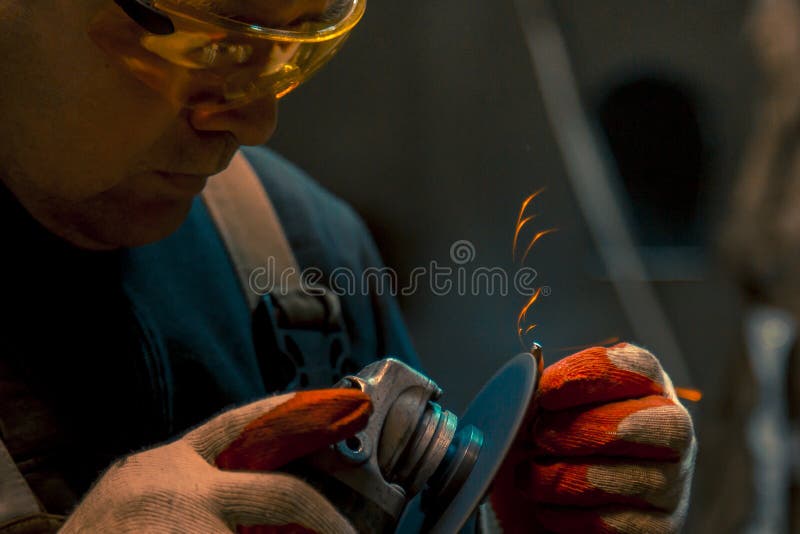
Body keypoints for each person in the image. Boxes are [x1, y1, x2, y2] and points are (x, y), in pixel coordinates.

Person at [0, 1, 696, 533]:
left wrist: (505, 516)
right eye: (208, 42)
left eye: (293, 55)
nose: (254, 121)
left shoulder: (295, 246)